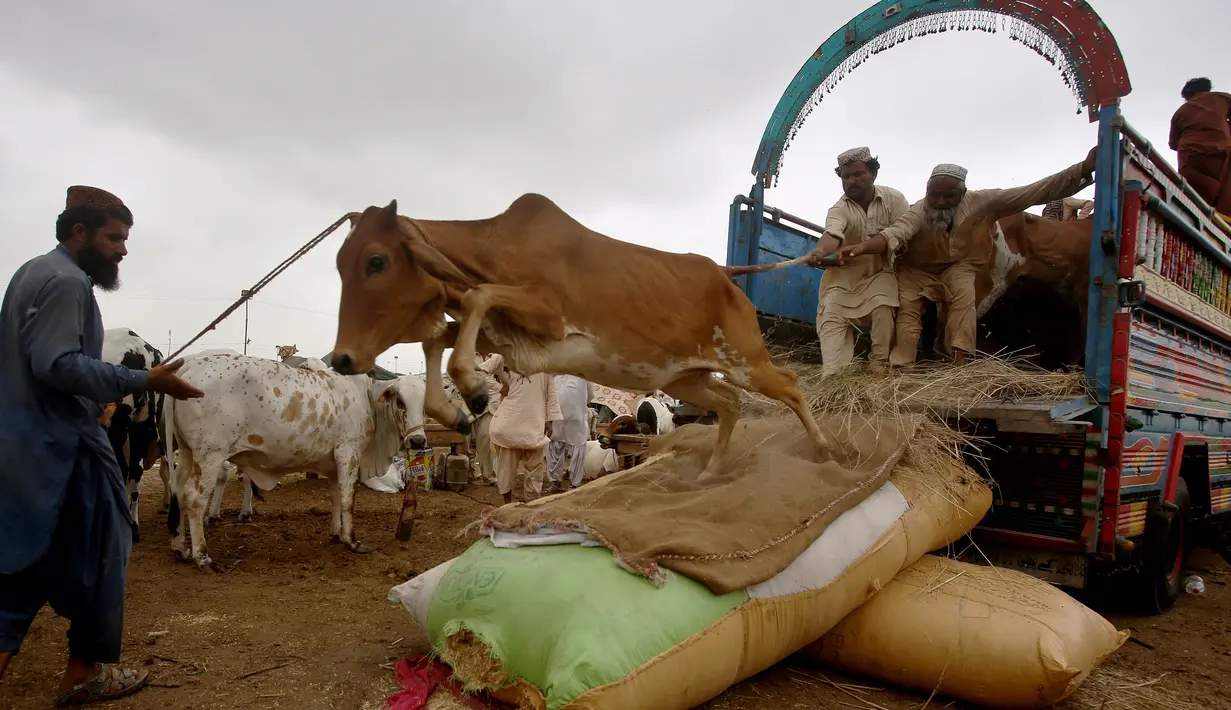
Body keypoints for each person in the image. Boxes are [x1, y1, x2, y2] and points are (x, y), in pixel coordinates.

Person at [0, 186, 204, 705]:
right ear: (79, 232)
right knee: (106, 549)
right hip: (66, 448)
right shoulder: (68, 284)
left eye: (125, 239)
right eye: (115, 237)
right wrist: (142, 380)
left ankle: (83, 668)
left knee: (29, 565)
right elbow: (58, 365)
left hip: (28, 447)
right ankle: (86, 671)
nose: (123, 250)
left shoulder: (31, 273)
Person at [840, 148, 1098, 366]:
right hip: (916, 271)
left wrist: (1083, 169)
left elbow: (1034, 192)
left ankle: (958, 368)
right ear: (926, 190)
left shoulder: (983, 201)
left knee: (964, 308)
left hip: (958, 266)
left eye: (948, 196)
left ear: (963, 194)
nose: (940, 201)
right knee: (908, 319)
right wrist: (861, 248)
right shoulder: (919, 210)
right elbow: (893, 234)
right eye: (934, 194)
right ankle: (901, 372)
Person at [803, 146, 910, 374]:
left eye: (857, 174)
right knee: (830, 313)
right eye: (845, 176)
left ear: (873, 173)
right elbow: (832, 234)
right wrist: (820, 252)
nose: (851, 181)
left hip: (881, 273)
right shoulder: (839, 209)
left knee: (883, 304)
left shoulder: (895, 200)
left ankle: (878, 368)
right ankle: (834, 377)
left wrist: (863, 248)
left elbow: (901, 234)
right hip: (842, 279)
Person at [487, 360, 561, 505]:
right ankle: (508, 506)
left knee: (533, 470)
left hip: (534, 423)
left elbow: (551, 392)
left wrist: (550, 420)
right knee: (508, 470)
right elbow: (477, 371)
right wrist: (500, 388)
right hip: (510, 425)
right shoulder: (506, 354)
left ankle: (531, 506)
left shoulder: (545, 361)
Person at [1169, 77, 1231, 219]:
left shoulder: (1179, 113)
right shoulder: (1221, 98)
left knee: (1196, 197)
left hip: (1190, 157)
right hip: (1220, 153)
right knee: (1224, 195)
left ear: (1187, 95)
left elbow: (1173, 144)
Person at [544, 374, 593, 494]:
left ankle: (556, 482)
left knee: (554, 446)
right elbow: (590, 396)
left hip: (558, 415)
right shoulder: (584, 374)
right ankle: (573, 484)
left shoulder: (555, 375)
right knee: (577, 447)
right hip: (575, 415)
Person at [470, 351, 507, 485]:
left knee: (486, 436)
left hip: (493, 402)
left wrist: (500, 387)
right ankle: (469, 473)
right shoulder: (467, 354)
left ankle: (489, 476)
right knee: (470, 441)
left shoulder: (497, 356)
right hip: (471, 401)